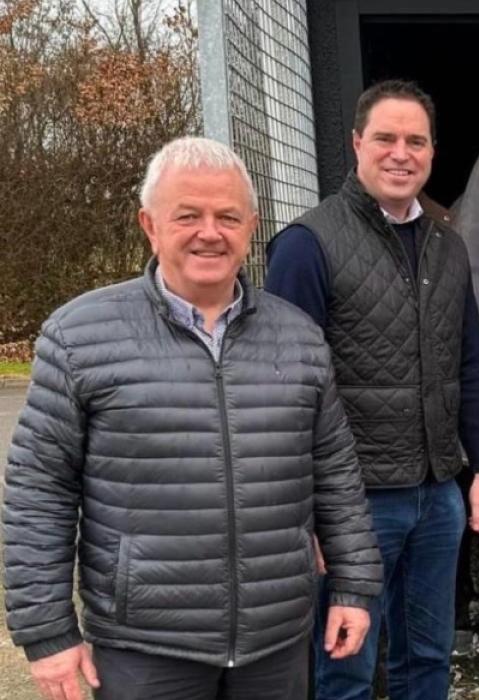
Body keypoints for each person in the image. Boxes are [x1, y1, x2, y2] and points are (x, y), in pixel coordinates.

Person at [2, 136, 383, 700]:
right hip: (145, 650)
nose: (210, 231)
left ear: (251, 225)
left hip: (275, 644)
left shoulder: (299, 337)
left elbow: (336, 477)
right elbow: (40, 492)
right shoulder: (80, 335)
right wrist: (47, 632)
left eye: (228, 216)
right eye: (188, 215)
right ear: (150, 225)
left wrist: (353, 587)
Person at [263, 79, 479, 700]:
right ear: (356, 144)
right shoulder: (306, 245)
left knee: (427, 659)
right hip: (353, 505)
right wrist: (306, 509)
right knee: (343, 669)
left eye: (416, 141)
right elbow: (286, 392)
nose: (402, 153)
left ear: (431, 153)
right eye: (386, 138)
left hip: (437, 495)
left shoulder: (449, 247)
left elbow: (469, 362)